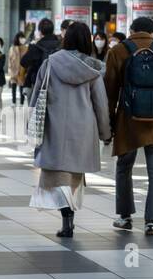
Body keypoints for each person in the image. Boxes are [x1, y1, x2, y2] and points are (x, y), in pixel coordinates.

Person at [28, 22, 111, 238]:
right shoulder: (92, 69)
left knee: (58, 176)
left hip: (54, 127)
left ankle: (66, 218)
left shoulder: (50, 63)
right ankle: (69, 216)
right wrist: (105, 132)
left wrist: (32, 122)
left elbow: (36, 96)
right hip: (82, 129)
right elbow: (101, 104)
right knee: (74, 176)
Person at [104, 16, 153, 236]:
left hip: (129, 119)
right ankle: (152, 222)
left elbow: (110, 90)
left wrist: (109, 122)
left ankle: (125, 217)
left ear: (131, 31)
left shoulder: (117, 51)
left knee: (124, 167)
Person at [20, 18, 62, 102]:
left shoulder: (35, 47)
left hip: (39, 88)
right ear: (52, 30)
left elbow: (23, 62)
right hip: (58, 87)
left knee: (37, 113)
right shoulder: (61, 46)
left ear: (40, 32)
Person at [7, 32, 26, 105]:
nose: (22, 39)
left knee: (22, 88)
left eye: (23, 38)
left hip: (22, 71)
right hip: (13, 71)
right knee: (13, 87)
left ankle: (22, 102)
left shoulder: (25, 48)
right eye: (21, 38)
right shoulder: (12, 48)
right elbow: (10, 60)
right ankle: (13, 101)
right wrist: (10, 71)